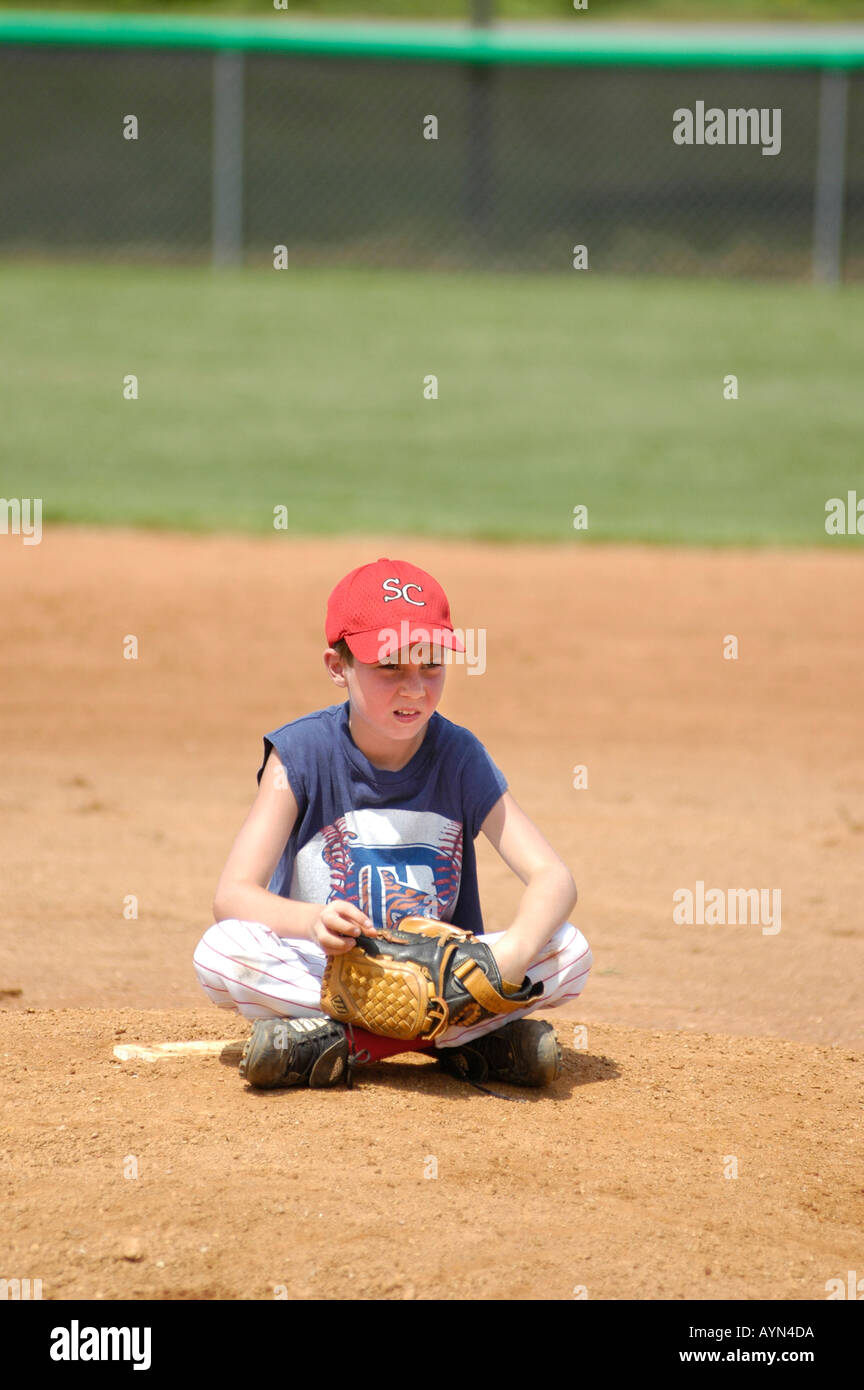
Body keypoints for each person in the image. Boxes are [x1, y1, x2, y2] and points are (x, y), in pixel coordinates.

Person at [193, 557, 592, 1092]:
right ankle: (466, 1043)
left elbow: (553, 877)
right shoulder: (303, 754)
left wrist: (508, 959)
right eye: (390, 668)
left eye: (431, 667)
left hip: (447, 980)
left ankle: (341, 1045)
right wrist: (311, 921)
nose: (415, 689)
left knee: (571, 950)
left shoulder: (459, 755)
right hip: (331, 973)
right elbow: (233, 896)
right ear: (338, 666)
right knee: (221, 949)